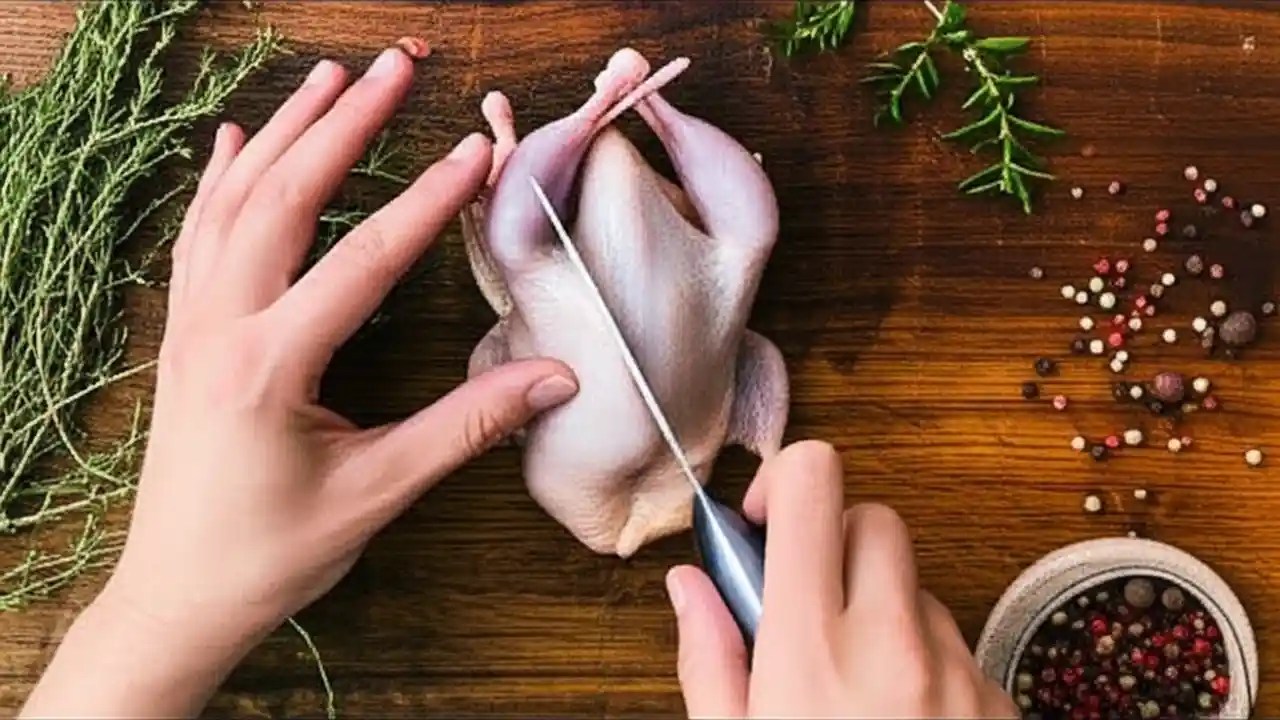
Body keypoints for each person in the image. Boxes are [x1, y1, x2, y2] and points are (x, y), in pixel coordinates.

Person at [19, 48, 1018, 719]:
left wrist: (160, 613)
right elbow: (528, 355)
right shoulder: (568, 301)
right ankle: (619, 107)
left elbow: (523, 352)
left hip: (665, 420)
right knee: (711, 238)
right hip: (664, 427)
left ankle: (625, 108)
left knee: (692, 243)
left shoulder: (557, 294)